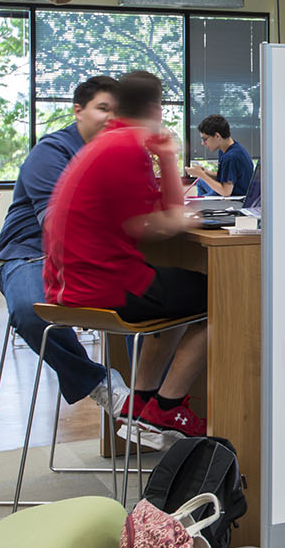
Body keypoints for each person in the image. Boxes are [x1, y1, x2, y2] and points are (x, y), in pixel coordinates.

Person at [43, 70, 208, 436]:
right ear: (156, 109)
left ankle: (141, 403)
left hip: (71, 282)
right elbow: (157, 222)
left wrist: (165, 167)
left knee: (178, 294)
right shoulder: (127, 148)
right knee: (221, 296)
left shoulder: (107, 143)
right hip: (102, 284)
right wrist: (169, 159)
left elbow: (155, 213)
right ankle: (165, 409)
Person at [0, 75, 130, 416]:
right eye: (103, 108)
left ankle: (150, 401)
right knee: (31, 310)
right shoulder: (51, 152)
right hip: (30, 253)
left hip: (89, 258)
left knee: (154, 297)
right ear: (78, 111)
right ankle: (98, 382)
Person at [186, 115, 253, 199]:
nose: (203, 143)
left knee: (197, 201)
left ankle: (206, 206)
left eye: (205, 139)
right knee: (201, 182)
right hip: (229, 190)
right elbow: (226, 176)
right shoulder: (227, 149)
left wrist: (201, 174)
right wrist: (205, 172)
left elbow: (226, 192)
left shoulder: (230, 157)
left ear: (217, 136)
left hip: (235, 198)